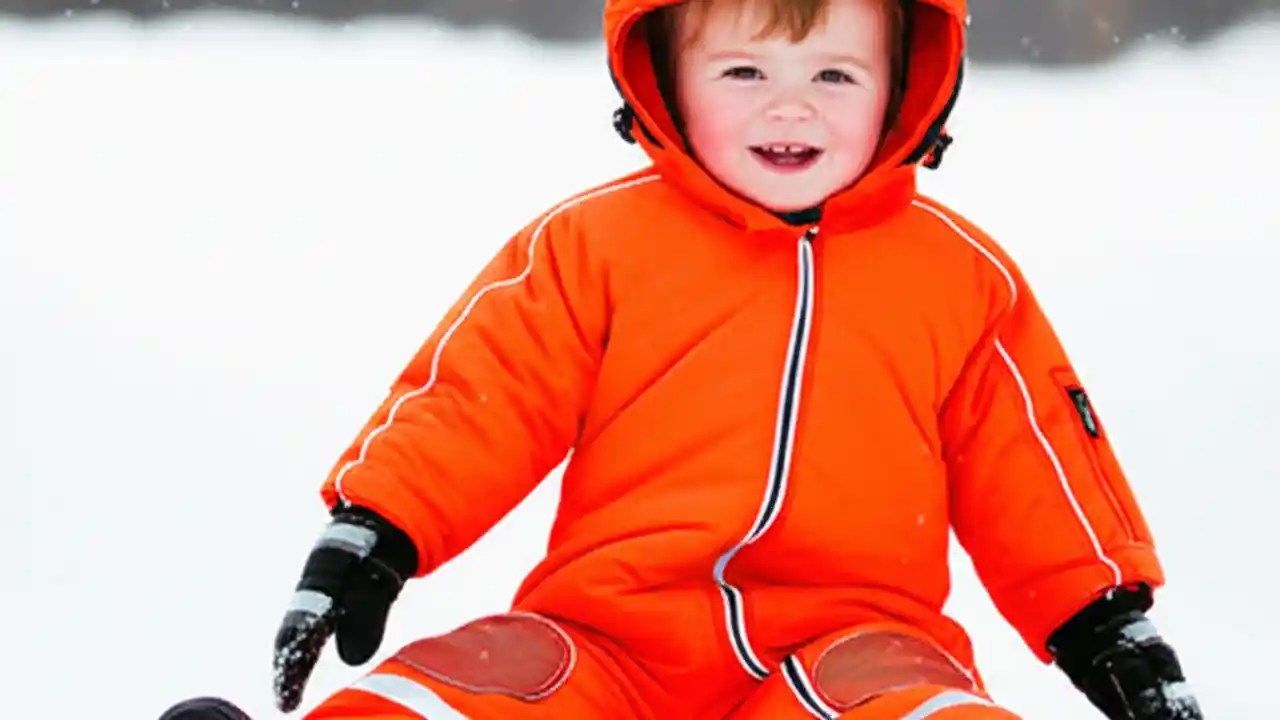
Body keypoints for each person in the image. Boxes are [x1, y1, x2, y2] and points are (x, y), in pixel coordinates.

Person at [167, 0, 1206, 718]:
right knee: (479, 679)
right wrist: (375, 531)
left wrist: (1104, 624)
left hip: (848, 640)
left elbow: (1035, 465)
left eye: (833, 73)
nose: (788, 105)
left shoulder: (958, 278)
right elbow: (482, 394)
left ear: (905, 86)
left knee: (911, 705)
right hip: (608, 640)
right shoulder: (594, 246)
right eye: (743, 70)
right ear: (664, 76)